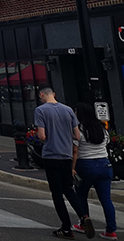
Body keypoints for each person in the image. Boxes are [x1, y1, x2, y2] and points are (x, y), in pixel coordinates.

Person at [35, 87, 89, 239]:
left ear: (41, 95)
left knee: (57, 193)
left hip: (51, 155)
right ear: (54, 94)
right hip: (66, 156)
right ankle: (84, 216)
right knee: (68, 189)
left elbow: (42, 136)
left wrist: (46, 137)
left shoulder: (40, 110)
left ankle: (66, 227)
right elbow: (77, 135)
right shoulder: (68, 110)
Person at [72, 102, 116, 239]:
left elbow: (75, 151)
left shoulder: (78, 130)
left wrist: (72, 168)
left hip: (85, 164)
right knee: (106, 200)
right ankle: (111, 230)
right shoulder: (102, 129)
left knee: (81, 195)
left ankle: (84, 222)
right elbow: (107, 143)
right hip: (104, 164)